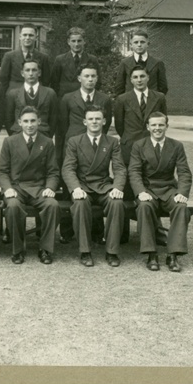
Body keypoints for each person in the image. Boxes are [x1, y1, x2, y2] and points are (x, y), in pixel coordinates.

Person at [61, 105, 127, 267]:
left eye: (98, 118)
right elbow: (68, 168)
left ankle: (112, 251)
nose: (94, 122)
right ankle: (85, 251)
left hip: (104, 185)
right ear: (85, 122)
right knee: (80, 204)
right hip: (83, 187)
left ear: (104, 121)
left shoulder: (112, 142)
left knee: (117, 203)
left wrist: (117, 188)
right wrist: (75, 189)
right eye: (91, 119)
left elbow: (119, 168)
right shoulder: (75, 141)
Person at [128, 112, 193, 272]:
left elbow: (184, 172)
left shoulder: (176, 146)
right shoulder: (139, 145)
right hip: (148, 189)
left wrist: (182, 193)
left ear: (166, 126)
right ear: (148, 127)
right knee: (144, 207)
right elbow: (134, 171)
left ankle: (173, 255)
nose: (157, 128)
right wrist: (140, 192)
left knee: (181, 207)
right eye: (154, 125)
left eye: (161, 125)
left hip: (169, 189)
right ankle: (151, 254)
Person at [55, 63, 112, 244]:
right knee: (70, 188)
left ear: (97, 78)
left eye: (93, 76)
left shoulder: (104, 99)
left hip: (94, 146)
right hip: (72, 146)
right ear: (79, 78)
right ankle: (67, 231)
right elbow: (62, 127)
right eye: (86, 76)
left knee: (95, 185)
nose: (90, 79)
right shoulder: (67, 98)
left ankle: (96, 232)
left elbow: (106, 123)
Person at [0, 106, 61, 264]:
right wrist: (8, 189)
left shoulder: (46, 142)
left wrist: (50, 188)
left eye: (33, 121)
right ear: (19, 123)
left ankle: (45, 248)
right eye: (26, 121)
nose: (30, 124)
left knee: (52, 205)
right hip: (16, 188)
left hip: (38, 188)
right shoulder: (10, 141)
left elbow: (53, 171)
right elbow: (2, 171)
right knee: (12, 206)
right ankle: (17, 249)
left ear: (39, 121)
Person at [113, 65, 167, 166]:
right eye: (135, 77)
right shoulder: (122, 99)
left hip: (152, 143)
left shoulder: (159, 97)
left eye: (142, 76)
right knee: (130, 176)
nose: (139, 80)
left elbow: (163, 120)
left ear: (148, 78)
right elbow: (119, 125)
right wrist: (128, 138)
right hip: (129, 145)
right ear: (131, 80)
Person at [5, 59, 58, 138]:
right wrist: (14, 136)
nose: (31, 73)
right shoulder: (13, 94)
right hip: (18, 135)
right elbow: (8, 119)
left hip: (43, 135)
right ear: (22, 73)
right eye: (27, 70)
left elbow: (53, 118)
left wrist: (48, 136)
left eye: (34, 70)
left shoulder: (50, 93)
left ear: (39, 73)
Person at [0, 23, 51, 95]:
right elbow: (3, 80)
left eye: (31, 35)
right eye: (24, 35)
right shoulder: (9, 56)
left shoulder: (43, 57)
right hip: (14, 95)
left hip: (36, 94)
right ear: (20, 37)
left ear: (36, 38)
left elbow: (46, 81)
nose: (27, 37)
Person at [112, 29, 168, 97]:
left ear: (148, 44)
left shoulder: (158, 63)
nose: (139, 45)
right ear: (131, 45)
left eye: (142, 42)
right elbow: (119, 88)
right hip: (130, 104)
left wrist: (155, 100)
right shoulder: (124, 63)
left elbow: (163, 88)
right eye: (136, 42)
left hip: (152, 104)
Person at [49, 27, 99, 99]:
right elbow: (54, 83)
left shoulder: (92, 59)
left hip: (85, 99)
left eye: (79, 41)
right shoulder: (60, 59)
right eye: (73, 41)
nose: (76, 44)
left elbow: (98, 81)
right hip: (65, 99)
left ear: (84, 41)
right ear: (68, 42)